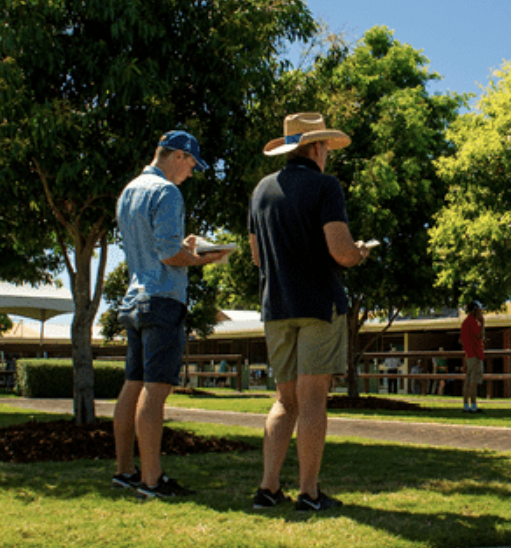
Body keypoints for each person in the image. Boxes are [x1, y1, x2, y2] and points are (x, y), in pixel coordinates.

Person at [249, 113, 372, 512]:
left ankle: (268, 489)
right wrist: (359, 254)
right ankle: (309, 492)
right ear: (317, 147)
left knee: (285, 401)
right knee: (314, 399)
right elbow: (340, 249)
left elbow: (256, 257)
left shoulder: (261, 191)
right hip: (319, 304)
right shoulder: (325, 186)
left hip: (276, 306)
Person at [112, 130, 232, 500]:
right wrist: (203, 257)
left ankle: (125, 471)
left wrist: (186, 244)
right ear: (178, 155)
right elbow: (168, 256)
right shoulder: (167, 192)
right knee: (156, 389)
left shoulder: (128, 191)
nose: (192, 172)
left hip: (135, 298)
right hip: (163, 300)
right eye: (193, 163)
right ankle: (152, 480)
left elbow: (153, 247)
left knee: (131, 386)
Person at [460, 301, 486, 413]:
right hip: (475, 354)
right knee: (473, 382)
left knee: (468, 380)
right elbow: (480, 335)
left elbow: (461, 340)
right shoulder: (472, 322)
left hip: (468, 354)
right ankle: (473, 405)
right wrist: (483, 323)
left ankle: (466, 404)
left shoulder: (464, 323)